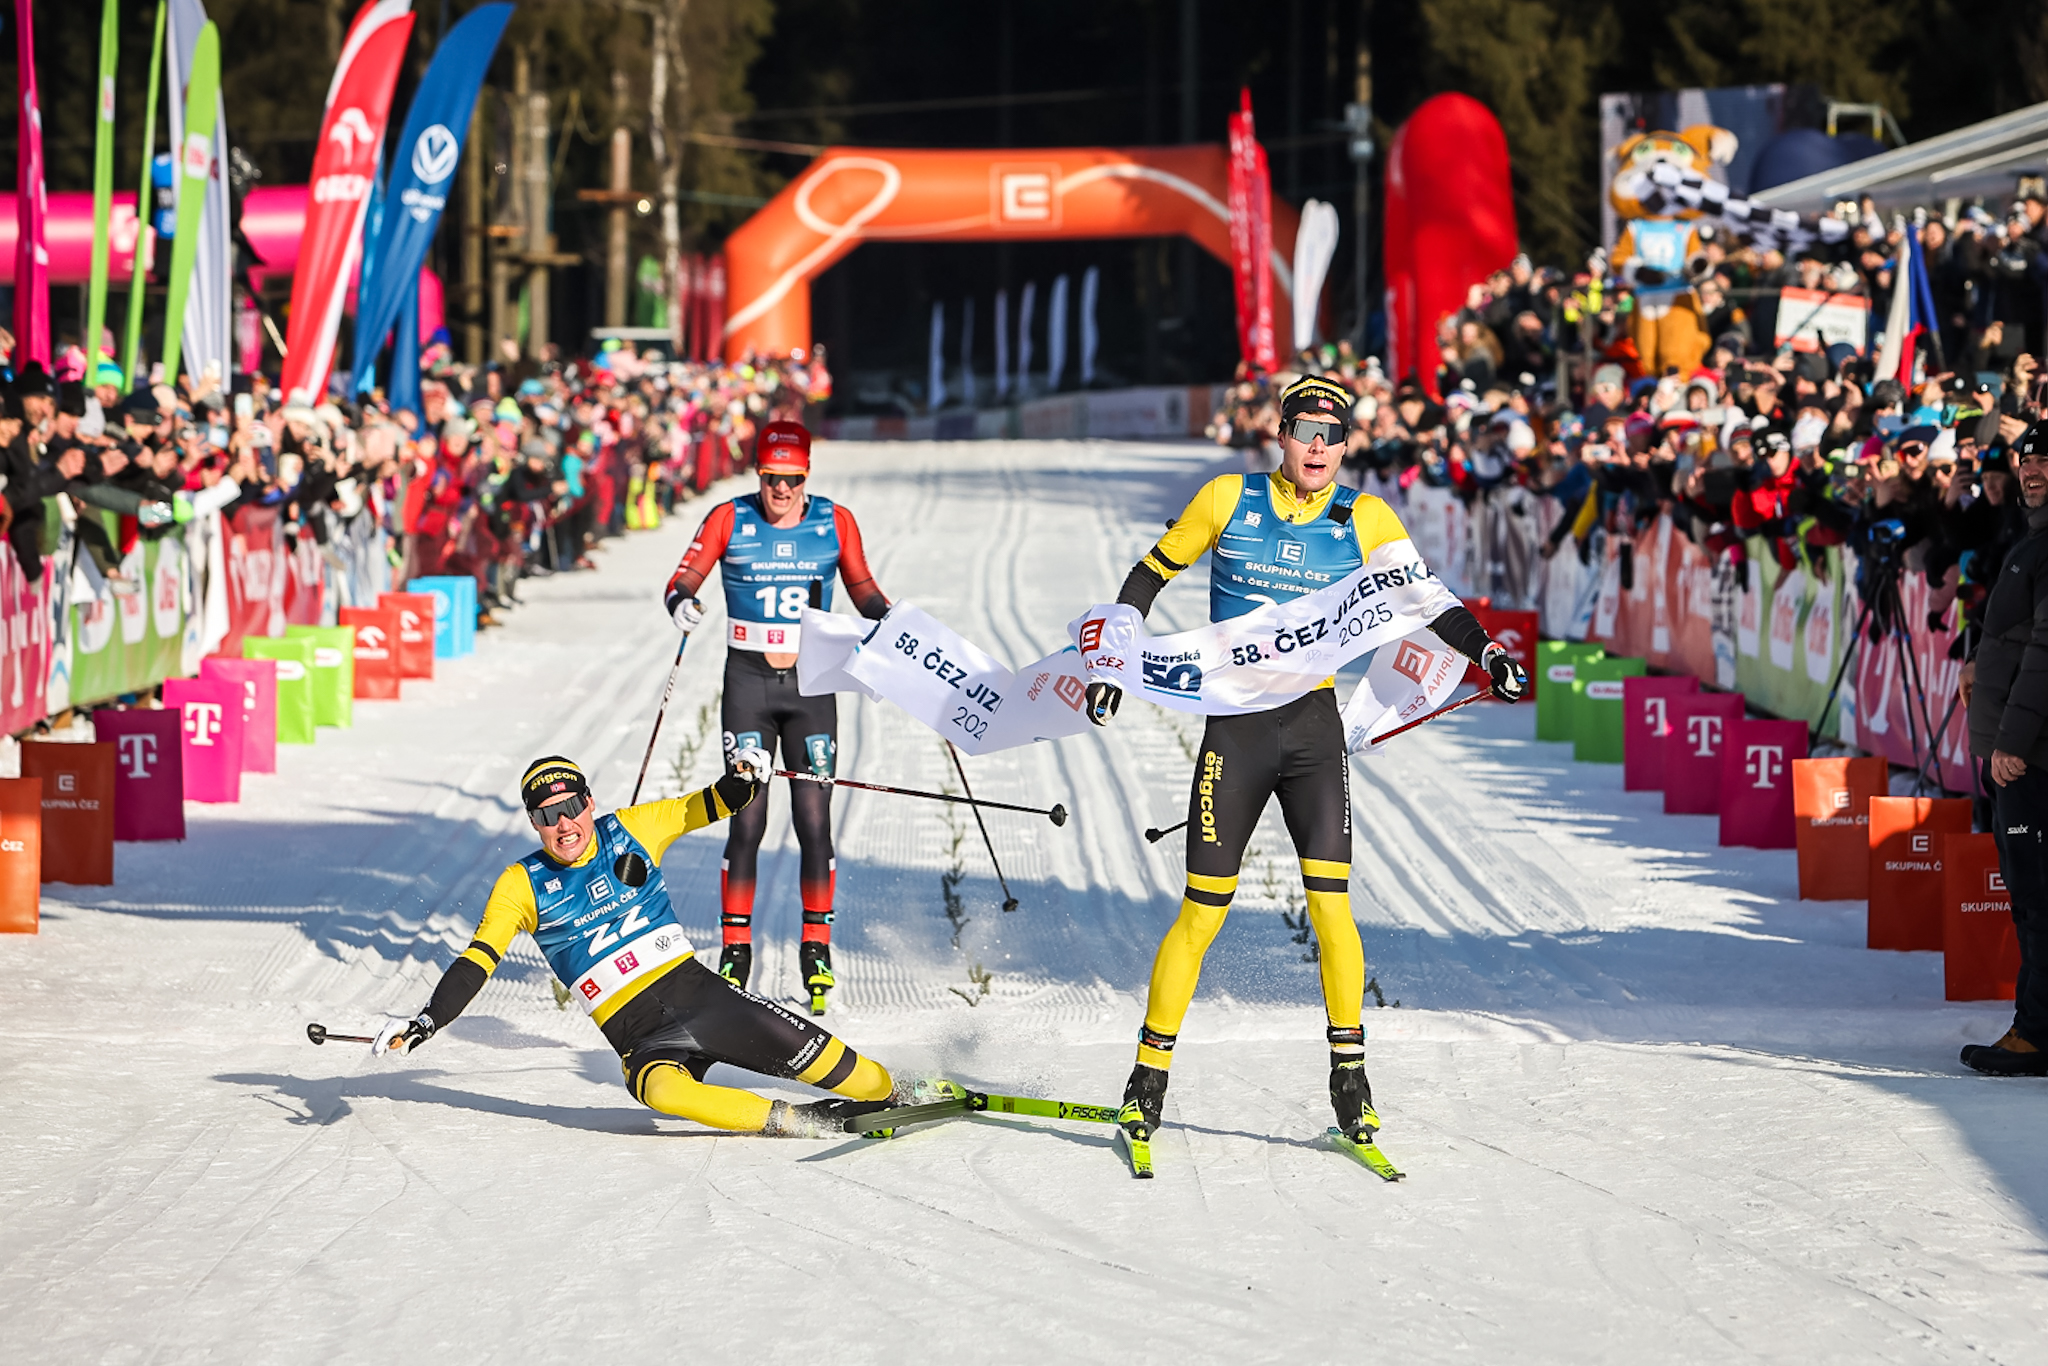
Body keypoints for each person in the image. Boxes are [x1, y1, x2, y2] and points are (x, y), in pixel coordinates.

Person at [1082, 374, 1528, 1151]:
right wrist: (1114, 660)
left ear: (1348, 444)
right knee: (1203, 910)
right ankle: (1145, 1083)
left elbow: (1426, 599)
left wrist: (1486, 649)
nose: (1317, 445)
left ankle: (1350, 1083)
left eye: (1332, 432)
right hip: (1238, 732)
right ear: (1280, 435)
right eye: (1303, 429)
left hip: (1313, 732)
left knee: (1331, 909)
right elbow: (1149, 575)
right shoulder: (1228, 498)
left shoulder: (1365, 516)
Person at [372, 753, 919, 1134]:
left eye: (571, 808)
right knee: (661, 1093)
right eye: (546, 817)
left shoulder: (631, 829)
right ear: (533, 823)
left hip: (708, 1002)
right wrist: (427, 1020)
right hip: (642, 1038)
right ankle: (792, 1121)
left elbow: (713, 801)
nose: (564, 825)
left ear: (589, 802)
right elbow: (476, 962)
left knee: (865, 1080)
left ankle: (905, 1092)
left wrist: (746, 777)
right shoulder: (520, 883)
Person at [662, 420, 890, 1013]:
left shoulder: (834, 521)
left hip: (812, 688)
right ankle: (735, 950)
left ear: (806, 474)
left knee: (814, 820)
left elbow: (863, 588)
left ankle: (817, 947)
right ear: (757, 474)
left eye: (791, 479)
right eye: (770, 478)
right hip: (748, 686)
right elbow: (683, 577)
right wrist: (682, 602)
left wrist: (889, 618)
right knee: (747, 818)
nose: (780, 490)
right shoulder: (729, 519)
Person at [1959, 420, 2048, 1076]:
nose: (2032, 471)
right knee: (2030, 895)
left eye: (2045, 461)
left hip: (2032, 757)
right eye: (2026, 461)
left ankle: (2036, 1033)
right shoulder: (2028, 540)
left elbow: (2047, 652)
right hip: (2017, 750)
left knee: (2036, 896)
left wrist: (2011, 744)